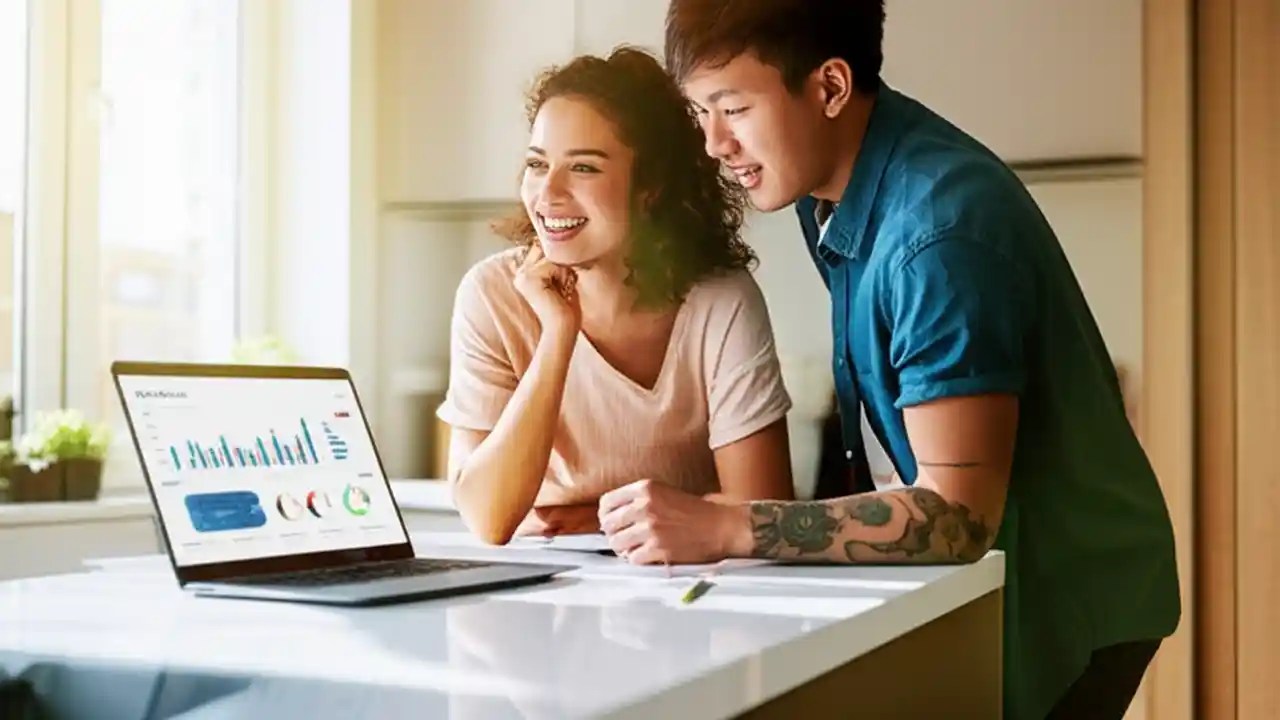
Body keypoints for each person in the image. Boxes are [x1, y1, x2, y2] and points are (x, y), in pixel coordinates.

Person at [596, 2, 1181, 718]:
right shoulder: (835, 188)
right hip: (1018, 565)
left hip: (1073, 591)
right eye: (700, 113)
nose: (714, 144)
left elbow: (960, 515)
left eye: (733, 109)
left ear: (832, 88)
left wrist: (726, 525)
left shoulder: (937, 235)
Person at [436, 47, 795, 547]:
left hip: (691, 589)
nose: (548, 193)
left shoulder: (720, 301)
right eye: (538, 164)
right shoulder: (492, 295)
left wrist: (595, 518)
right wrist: (558, 333)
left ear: (650, 185)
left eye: (583, 168)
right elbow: (488, 518)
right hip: (545, 598)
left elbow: (764, 512)